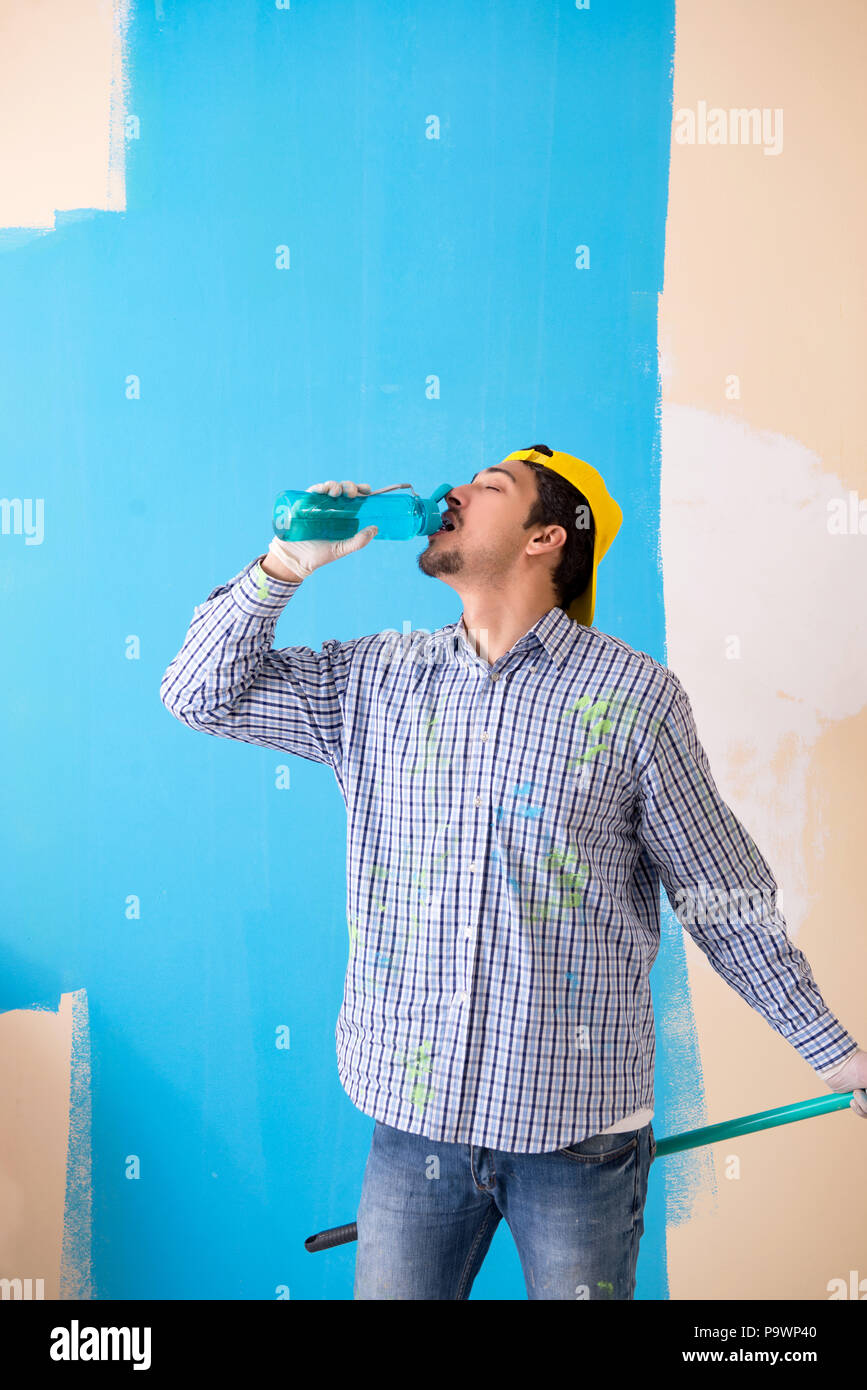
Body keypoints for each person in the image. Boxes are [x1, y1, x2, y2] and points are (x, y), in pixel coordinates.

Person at [159, 444, 866, 1300]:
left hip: (578, 1135)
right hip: (414, 1121)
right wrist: (283, 567)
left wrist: (842, 1061)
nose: (452, 489)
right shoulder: (377, 678)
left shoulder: (634, 699)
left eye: (490, 487)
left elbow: (722, 898)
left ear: (544, 539)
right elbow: (200, 693)